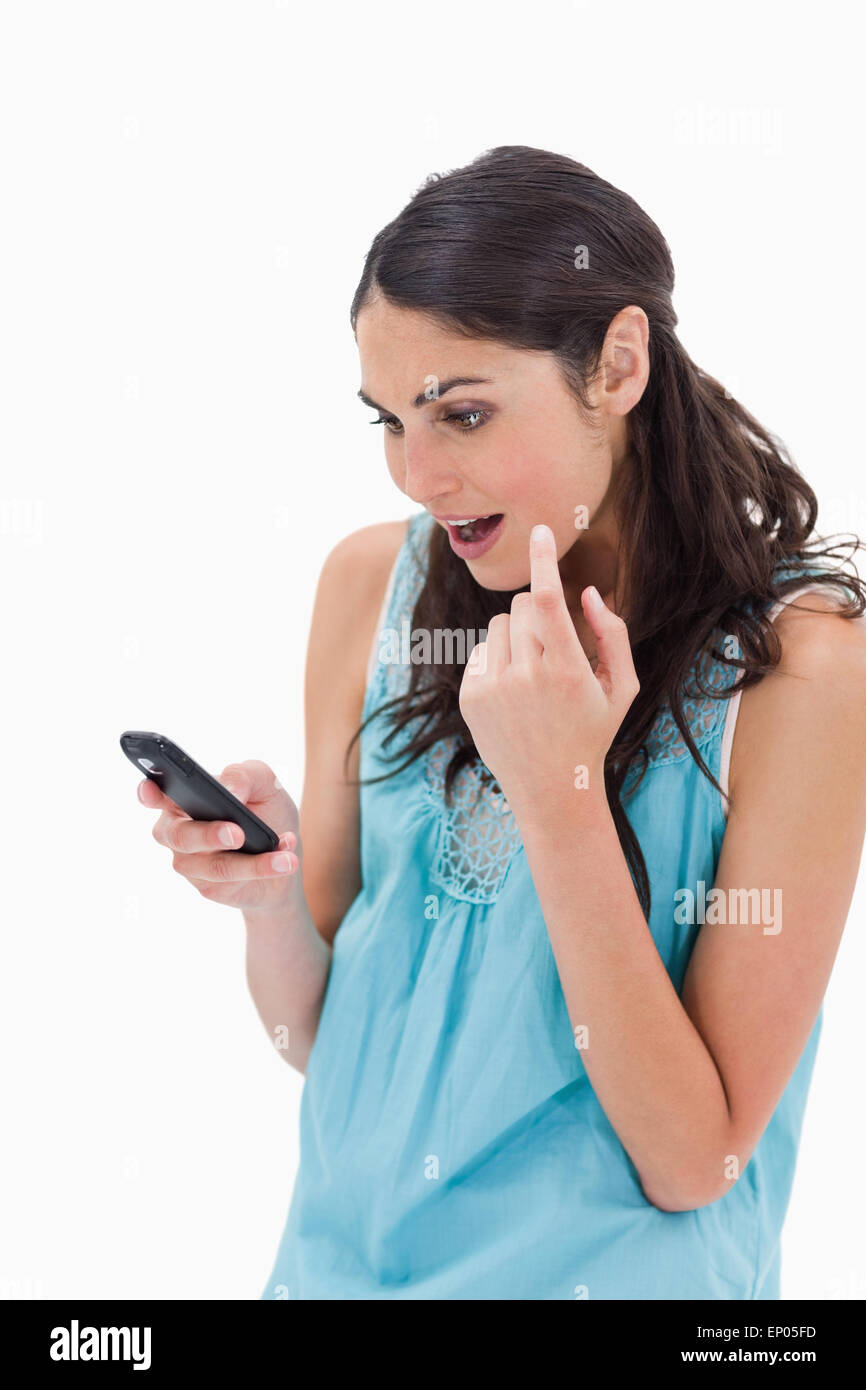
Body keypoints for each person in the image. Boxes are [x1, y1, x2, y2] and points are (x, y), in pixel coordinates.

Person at [139, 146, 866, 1299]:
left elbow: (694, 1161)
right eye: (387, 421)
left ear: (617, 364)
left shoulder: (799, 673)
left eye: (462, 414)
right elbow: (331, 1046)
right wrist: (269, 902)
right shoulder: (369, 589)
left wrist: (560, 795)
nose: (415, 477)